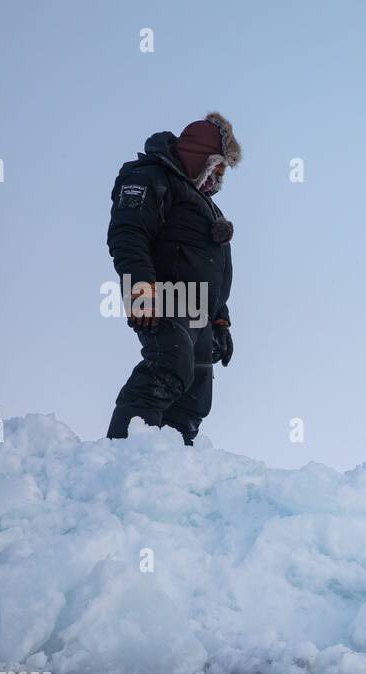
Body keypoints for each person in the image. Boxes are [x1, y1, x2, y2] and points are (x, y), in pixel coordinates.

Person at [106, 112, 241, 444]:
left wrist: (220, 321)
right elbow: (128, 235)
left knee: (197, 391)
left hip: (200, 310)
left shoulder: (205, 205)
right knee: (168, 368)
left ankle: (173, 471)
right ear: (201, 158)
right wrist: (141, 292)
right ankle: (124, 457)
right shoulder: (151, 177)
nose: (219, 177)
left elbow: (215, 268)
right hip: (163, 296)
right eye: (217, 167)